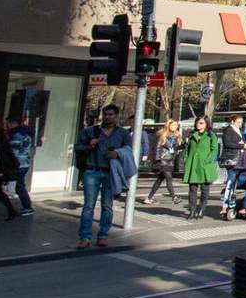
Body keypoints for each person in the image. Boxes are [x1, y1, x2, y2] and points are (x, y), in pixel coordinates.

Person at [74, 104, 131, 248]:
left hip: (110, 172)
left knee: (107, 206)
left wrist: (118, 153)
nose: (108, 117)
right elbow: (77, 147)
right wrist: (89, 145)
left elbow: (128, 149)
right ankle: (85, 237)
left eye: (111, 114)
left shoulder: (122, 134)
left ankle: (103, 235)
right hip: (92, 171)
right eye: (106, 114)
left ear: (116, 116)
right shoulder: (90, 131)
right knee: (88, 206)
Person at [183, 116, 220, 220]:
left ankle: (201, 210)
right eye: (197, 123)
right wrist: (186, 159)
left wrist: (207, 161)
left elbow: (214, 150)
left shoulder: (211, 135)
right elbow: (187, 148)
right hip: (193, 165)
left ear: (206, 124)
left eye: (201, 123)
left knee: (205, 190)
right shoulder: (191, 135)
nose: (198, 125)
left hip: (205, 167)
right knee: (192, 190)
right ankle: (192, 211)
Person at [144, 120, 182, 205]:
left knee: (160, 180)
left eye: (176, 125)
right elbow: (157, 148)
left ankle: (149, 198)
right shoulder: (163, 135)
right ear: (168, 125)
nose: (175, 127)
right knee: (169, 179)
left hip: (170, 160)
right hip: (163, 160)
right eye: (173, 125)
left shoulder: (176, 136)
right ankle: (174, 197)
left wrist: (180, 147)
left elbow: (174, 148)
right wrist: (157, 160)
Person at [218, 114, 245, 220]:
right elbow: (227, 143)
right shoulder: (228, 130)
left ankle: (230, 201)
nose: (240, 124)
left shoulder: (238, 130)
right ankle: (225, 204)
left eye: (241, 122)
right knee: (231, 179)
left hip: (238, 158)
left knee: (234, 181)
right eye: (238, 122)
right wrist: (242, 145)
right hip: (230, 159)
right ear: (233, 122)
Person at [6, 116, 35, 215]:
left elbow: (12, 147)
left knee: (19, 186)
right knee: (19, 185)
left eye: (9, 123)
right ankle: (27, 206)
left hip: (18, 163)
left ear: (14, 123)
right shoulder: (26, 133)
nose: (7, 125)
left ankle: (28, 207)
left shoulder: (17, 134)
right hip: (24, 162)